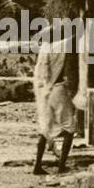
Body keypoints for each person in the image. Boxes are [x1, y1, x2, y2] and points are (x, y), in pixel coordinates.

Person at [32, 37, 77, 175]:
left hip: (44, 91)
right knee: (70, 128)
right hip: (58, 90)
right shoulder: (65, 48)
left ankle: (37, 165)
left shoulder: (45, 50)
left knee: (45, 129)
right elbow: (70, 73)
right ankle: (61, 165)